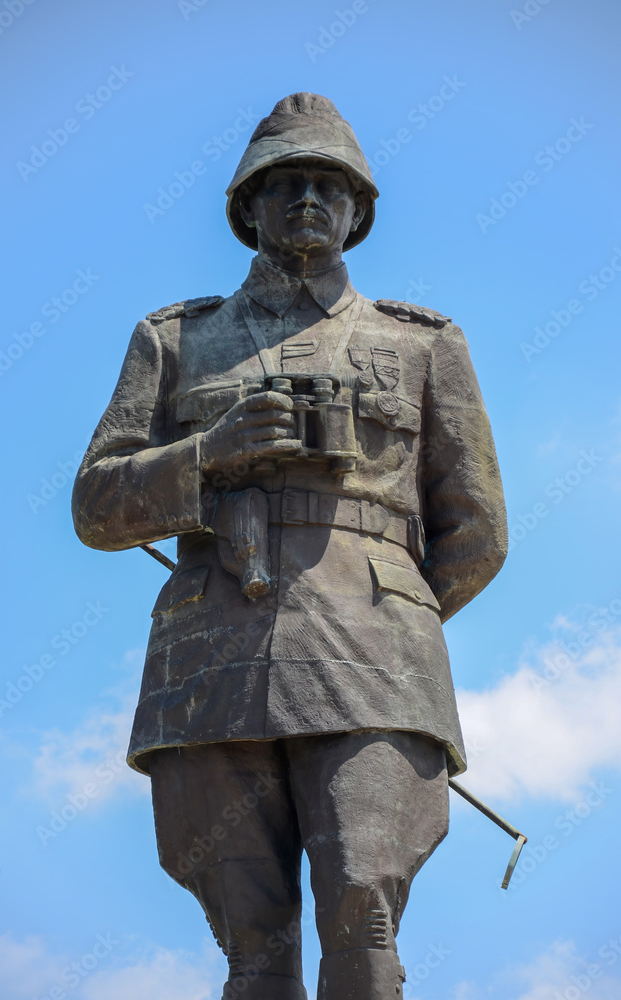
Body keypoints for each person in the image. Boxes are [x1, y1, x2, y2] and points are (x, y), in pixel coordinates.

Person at [72, 92, 507, 1000]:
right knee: (252, 948)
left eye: (328, 184)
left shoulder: (421, 344)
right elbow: (96, 507)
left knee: (363, 913)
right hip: (211, 666)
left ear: (358, 209)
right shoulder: (177, 340)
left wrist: (389, 606)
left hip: (377, 665)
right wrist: (208, 454)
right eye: (285, 183)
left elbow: (476, 531)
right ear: (248, 207)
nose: (308, 198)